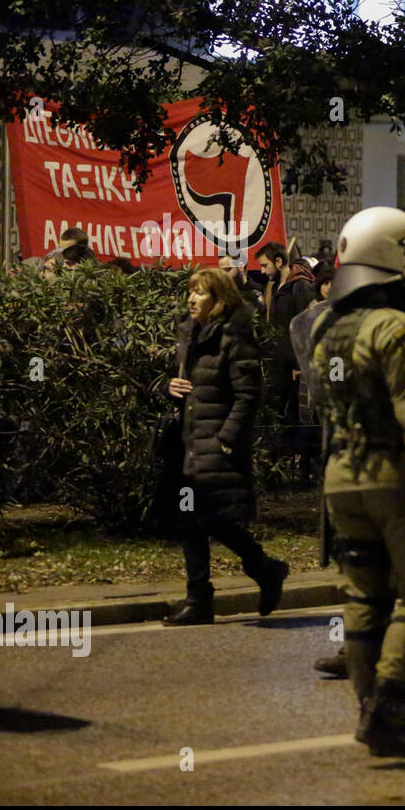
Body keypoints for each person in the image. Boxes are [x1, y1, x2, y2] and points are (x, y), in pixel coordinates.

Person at [309, 207, 405, 758]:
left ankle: (365, 708)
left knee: (363, 594)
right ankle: (388, 710)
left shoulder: (324, 326)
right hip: (395, 478)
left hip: (339, 479)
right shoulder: (398, 329)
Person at [163, 268, 288, 625]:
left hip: (215, 442)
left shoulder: (234, 335)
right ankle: (200, 597)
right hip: (188, 440)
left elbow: (248, 395)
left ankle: (264, 569)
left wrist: (225, 439)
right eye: (190, 291)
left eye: (200, 293)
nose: (191, 298)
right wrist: (167, 386)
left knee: (214, 518)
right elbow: (180, 382)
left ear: (219, 300)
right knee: (190, 519)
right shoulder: (190, 334)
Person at [258, 241, 317, 430]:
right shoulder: (275, 287)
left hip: (295, 366)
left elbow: (306, 329)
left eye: (264, 265)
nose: (262, 271)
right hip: (279, 363)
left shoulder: (300, 287)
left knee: (295, 416)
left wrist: (301, 365)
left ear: (279, 261)